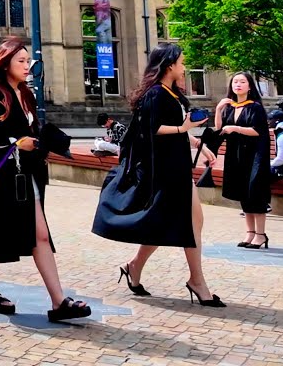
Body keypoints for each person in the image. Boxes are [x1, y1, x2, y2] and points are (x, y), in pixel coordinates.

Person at [0, 36, 91, 323]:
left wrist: (45, 142)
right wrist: (14, 143)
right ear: (5, 63)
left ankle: (59, 301)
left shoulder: (26, 95)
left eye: (28, 61)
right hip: (1, 176)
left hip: (27, 176)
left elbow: (33, 129)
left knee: (41, 235)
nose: (27, 66)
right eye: (21, 61)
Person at [92, 44, 224, 307]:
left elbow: (174, 128)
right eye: (182, 62)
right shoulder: (155, 94)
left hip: (175, 166)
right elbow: (152, 129)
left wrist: (198, 143)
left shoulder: (169, 93)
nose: (184, 67)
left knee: (178, 222)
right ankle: (196, 280)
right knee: (189, 222)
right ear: (169, 64)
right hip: (164, 169)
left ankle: (135, 267)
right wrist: (184, 127)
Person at [214, 73, 272, 249]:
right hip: (236, 154)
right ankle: (250, 233)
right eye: (235, 82)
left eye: (242, 82)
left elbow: (258, 131)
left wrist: (236, 128)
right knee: (243, 192)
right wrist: (218, 110)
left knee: (255, 192)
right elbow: (219, 129)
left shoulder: (255, 107)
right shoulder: (230, 107)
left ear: (250, 86)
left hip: (254, 155)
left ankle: (261, 234)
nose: (238, 84)